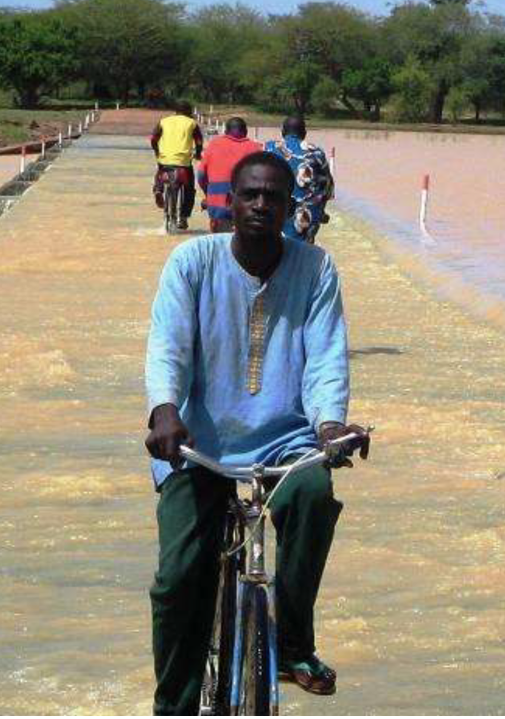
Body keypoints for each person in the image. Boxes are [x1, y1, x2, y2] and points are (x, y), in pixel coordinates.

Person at [145, 151, 369, 715]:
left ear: (292, 207)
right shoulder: (192, 263)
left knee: (314, 496)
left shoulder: (316, 268)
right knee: (178, 581)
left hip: (286, 442)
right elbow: (168, 345)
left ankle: (293, 642)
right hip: (198, 444)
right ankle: (173, 706)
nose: (261, 206)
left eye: (273, 197)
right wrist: (164, 410)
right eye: (251, 195)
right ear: (229, 202)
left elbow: (325, 357)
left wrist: (331, 425)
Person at [264, 116, 334, 243]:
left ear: (283, 132)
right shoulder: (317, 153)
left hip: (275, 215)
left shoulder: (269, 148)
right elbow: (328, 189)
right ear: (304, 134)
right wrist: (320, 212)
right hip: (306, 221)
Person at [195, 116, 263, 233]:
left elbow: (201, 176)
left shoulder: (213, 145)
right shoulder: (256, 148)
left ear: (225, 132)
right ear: (246, 132)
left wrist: (208, 194)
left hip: (217, 208)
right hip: (246, 210)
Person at [151, 102, 204, 230]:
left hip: (165, 160)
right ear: (189, 112)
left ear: (175, 111)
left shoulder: (163, 121)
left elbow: (153, 139)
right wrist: (197, 153)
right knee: (189, 189)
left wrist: (157, 152)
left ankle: (158, 189)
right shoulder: (191, 123)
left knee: (161, 169)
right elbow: (199, 141)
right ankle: (184, 217)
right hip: (183, 162)